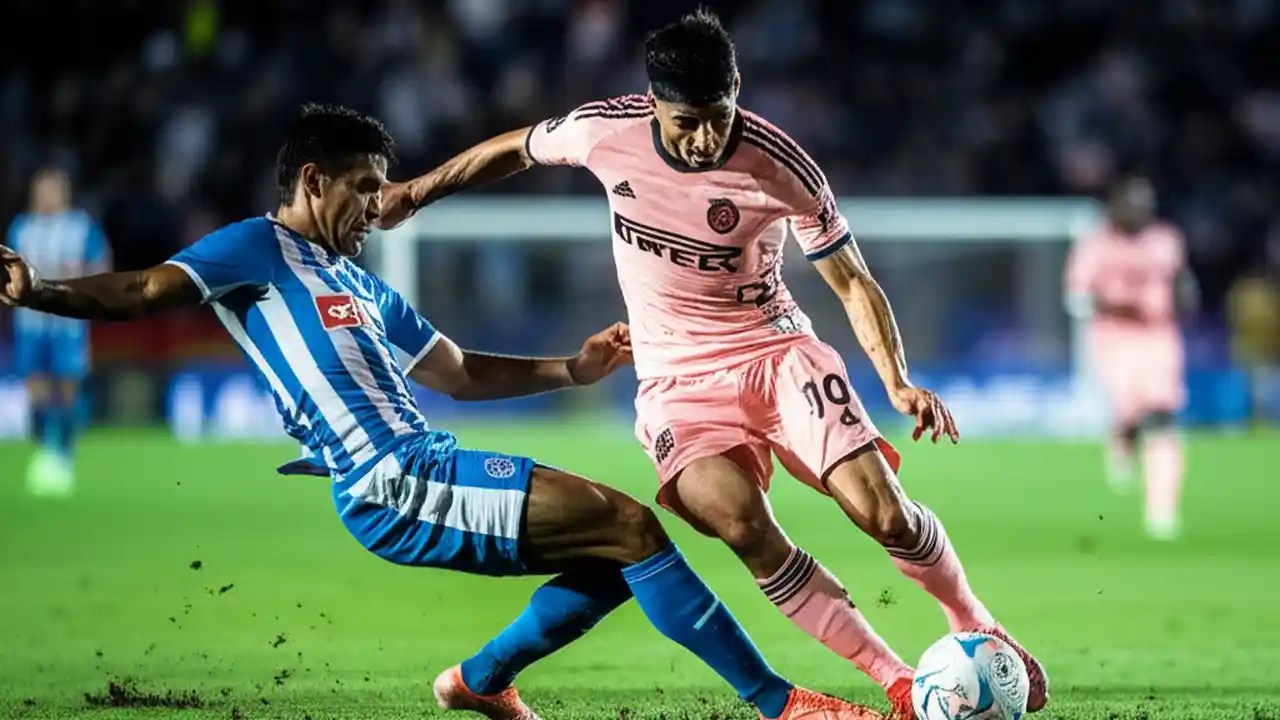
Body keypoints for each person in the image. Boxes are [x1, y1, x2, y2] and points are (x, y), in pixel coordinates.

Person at [0, 103, 881, 720]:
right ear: (314, 179)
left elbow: (459, 372)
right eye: (365, 186)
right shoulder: (256, 249)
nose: (378, 206)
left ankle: (481, 681)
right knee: (633, 528)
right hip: (387, 479)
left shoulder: (362, 284)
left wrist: (573, 370)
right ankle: (782, 704)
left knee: (621, 553)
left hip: (423, 459)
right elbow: (144, 289)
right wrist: (39, 290)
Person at [379, 10, 1047, 719]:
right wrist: (414, 192)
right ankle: (899, 682)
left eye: (717, 116)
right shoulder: (605, 130)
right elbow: (517, 147)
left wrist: (898, 382)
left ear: (737, 87)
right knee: (740, 525)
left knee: (883, 514)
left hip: (776, 353)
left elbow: (851, 279)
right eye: (684, 121)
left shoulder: (780, 165)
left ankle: (975, 622)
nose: (702, 138)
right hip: (676, 384)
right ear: (654, 104)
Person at [1065, 175, 1196, 540]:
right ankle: (1122, 436)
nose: (1141, 212)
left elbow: (1181, 279)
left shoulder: (1166, 241)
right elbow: (1078, 298)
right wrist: (1123, 306)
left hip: (1159, 337)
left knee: (1162, 415)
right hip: (1113, 340)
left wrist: (1186, 295)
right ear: (1116, 207)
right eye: (1134, 204)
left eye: (1147, 205)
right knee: (1133, 413)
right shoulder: (1095, 246)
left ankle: (1162, 510)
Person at [5, 166, 111, 497]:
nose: (46, 197)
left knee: (67, 387)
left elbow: (102, 264)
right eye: (41, 190)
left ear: (63, 193)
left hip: (68, 322)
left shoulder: (80, 228)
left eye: (52, 190)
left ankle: (63, 455)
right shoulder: (21, 228)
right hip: (31, 323)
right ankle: (46, 448)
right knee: (35, 387)